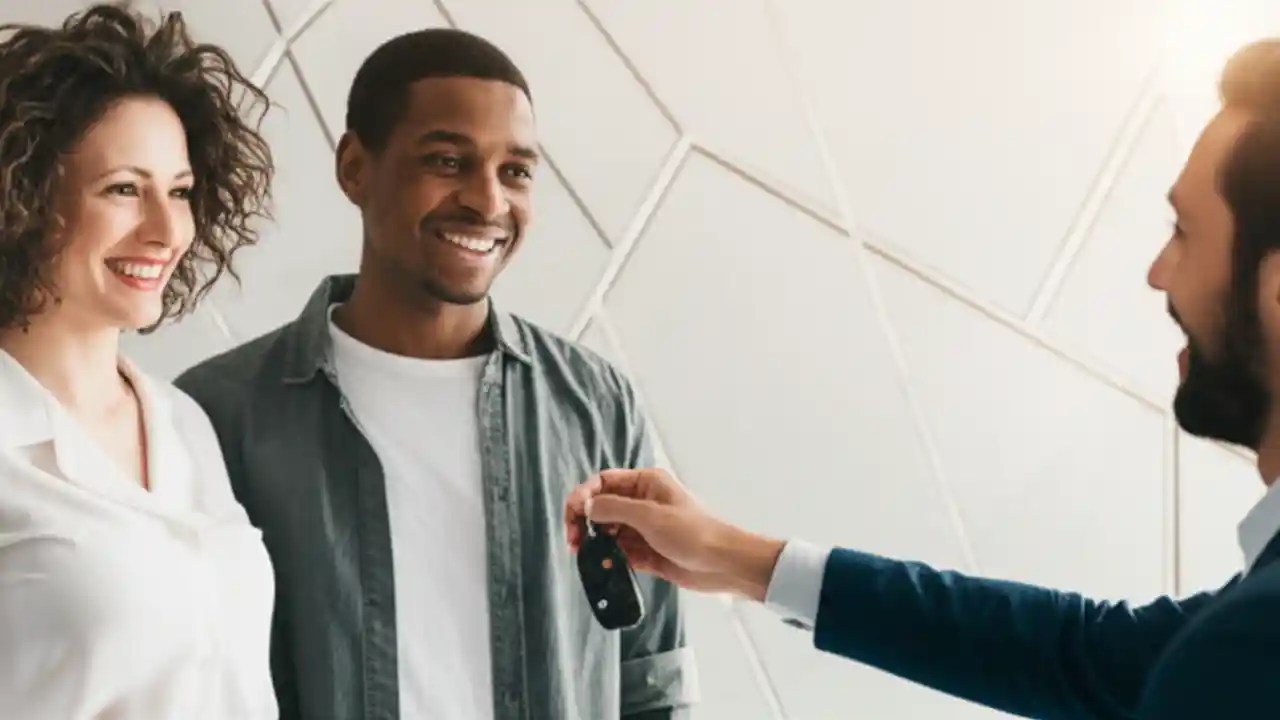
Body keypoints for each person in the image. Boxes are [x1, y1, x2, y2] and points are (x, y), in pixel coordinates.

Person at [565, 39, 1280, 720]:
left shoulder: (1243, 651)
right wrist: (732, 556)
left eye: (1184, 230)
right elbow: (1090, 654)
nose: (1158, 271)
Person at [174, 28, 696, 720]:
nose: (487, 202)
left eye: (515, 171)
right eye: (448, 161)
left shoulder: (596, 404)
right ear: (355, 167)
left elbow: (651, 676)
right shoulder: (218, 414)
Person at [0, 4, 277, 720]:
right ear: (24, 197)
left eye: (179, 192)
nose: (166, 230)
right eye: (124, 188)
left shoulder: (183, 421)